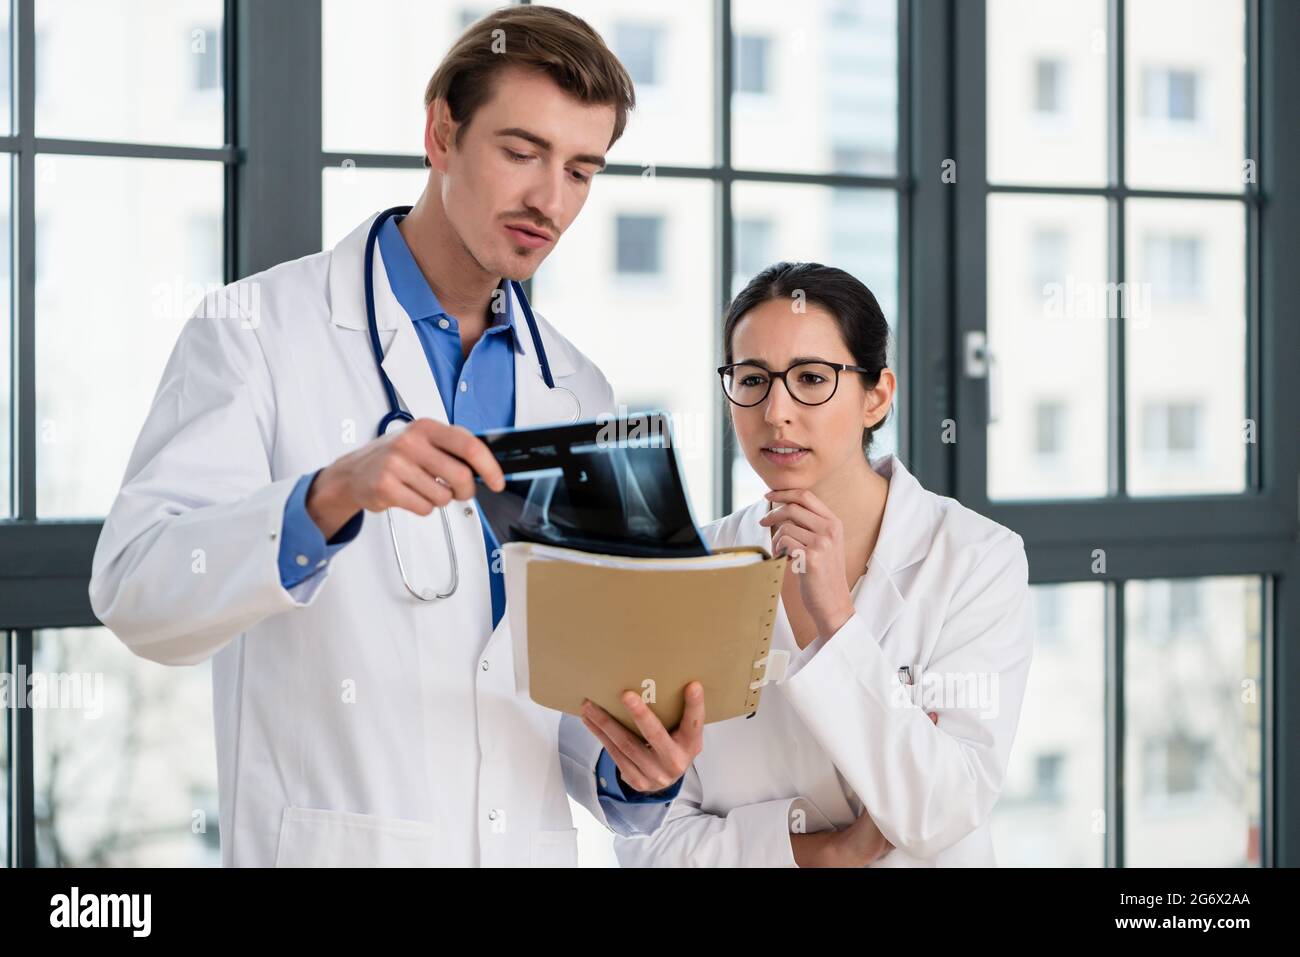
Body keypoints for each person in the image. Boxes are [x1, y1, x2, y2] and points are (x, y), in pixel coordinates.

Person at [89, 5, 699, 867]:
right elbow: (137, 590)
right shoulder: (258, 331)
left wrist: (627, 766)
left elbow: (538, 694)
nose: (549, 200)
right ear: (441, 131)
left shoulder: (578, 388)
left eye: (581, 170)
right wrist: (327, 497)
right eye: (521, 153)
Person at [611, 262, 1034, 867]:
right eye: (752, 379)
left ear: (876, 396)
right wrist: (825, 854)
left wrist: (837, 618)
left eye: (811, 378)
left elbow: (941, 810)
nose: (776, 411)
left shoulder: (974, 560)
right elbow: (646, 841)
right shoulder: (689, 568)